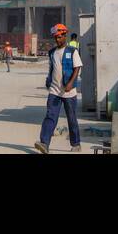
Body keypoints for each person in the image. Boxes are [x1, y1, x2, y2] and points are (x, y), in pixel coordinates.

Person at [34, 23, 82, 154]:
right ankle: (44, 143)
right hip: (54, 91)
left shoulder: (72, 51)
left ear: (65, 36)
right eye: (55, 37)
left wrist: (71, 83)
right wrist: (48, 80)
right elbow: (52, 68)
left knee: (71, 119)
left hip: (69, 92)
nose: (57, 39)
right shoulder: (52, 53)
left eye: (59, 37)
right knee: (50, 116)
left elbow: (77, 68)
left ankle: (76, 144)